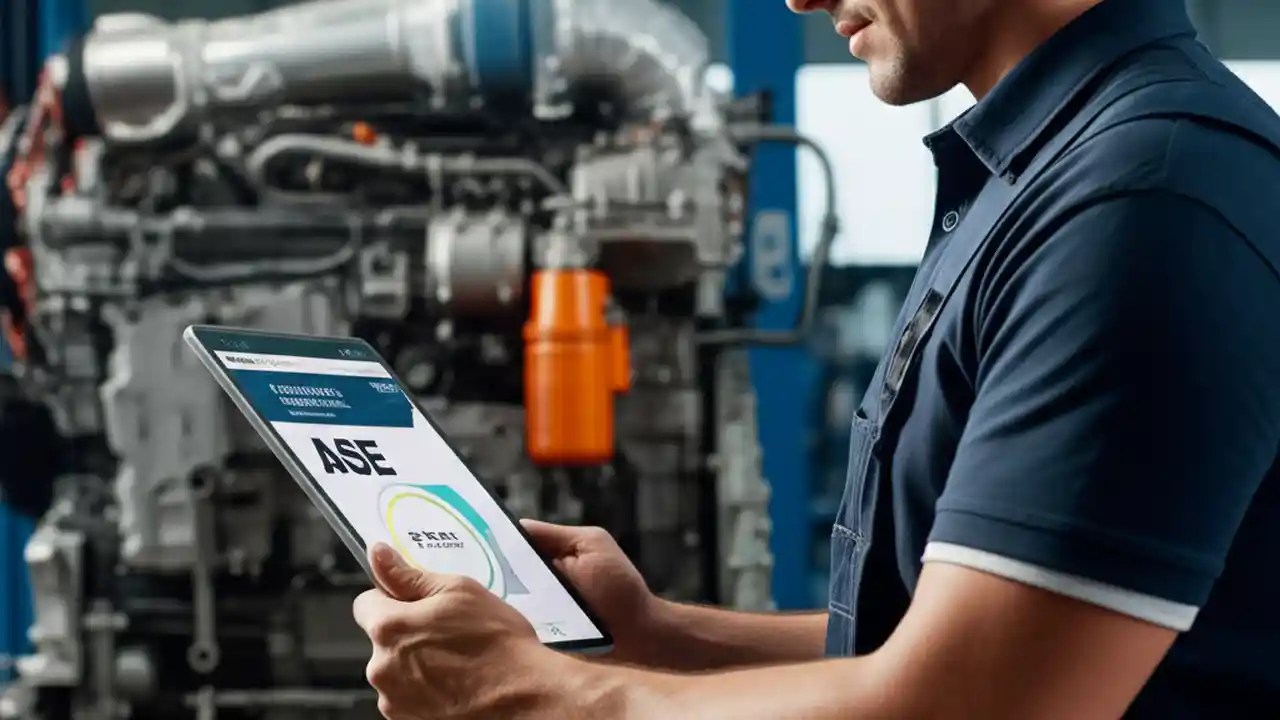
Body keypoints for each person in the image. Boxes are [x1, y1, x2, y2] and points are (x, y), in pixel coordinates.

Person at [352, 0, 1280, 716]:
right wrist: (658, 634)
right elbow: (944, 638)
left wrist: (546, 696)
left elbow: (978, 705)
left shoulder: (1144, 200)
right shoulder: (1053, 177)